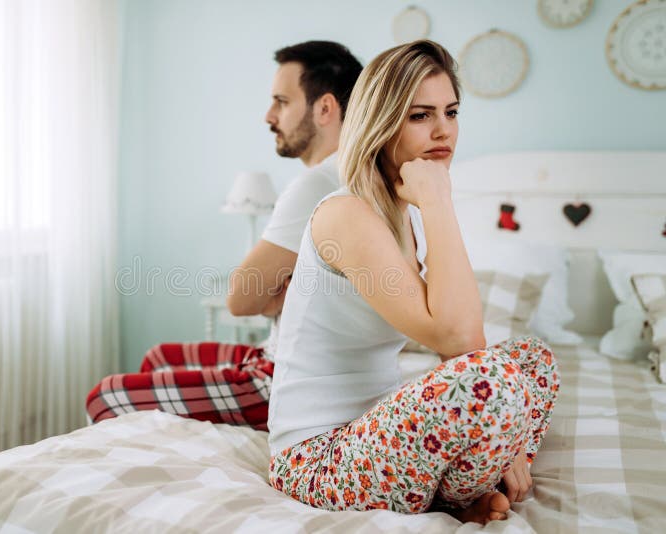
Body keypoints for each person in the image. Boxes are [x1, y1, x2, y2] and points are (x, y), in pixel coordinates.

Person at [266, 40, 560, 525]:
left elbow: (460, 344)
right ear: (381, 122)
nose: (444, 130)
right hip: (316, 459)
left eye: (451, 111)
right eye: (420, 115)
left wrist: (508, 433)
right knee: (491, 380)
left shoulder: (408, 210)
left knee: (532, 360)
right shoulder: (346, 213)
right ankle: (468, 491)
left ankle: (461, 491)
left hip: (376, 429)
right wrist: (440, 200)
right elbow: (462, 339)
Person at [85, 41, 363, 430]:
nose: (269, 115)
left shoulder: (316, 186)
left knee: (103, 398)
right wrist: (280, 296)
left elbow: (240, 299)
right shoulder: (353, 178)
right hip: (288, 362)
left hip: (285, 383)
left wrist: (273, 296)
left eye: (281, 102)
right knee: (160, 358)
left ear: (325, 109)